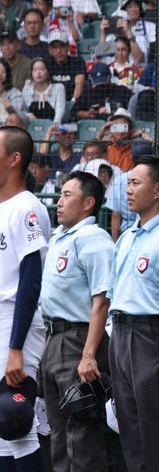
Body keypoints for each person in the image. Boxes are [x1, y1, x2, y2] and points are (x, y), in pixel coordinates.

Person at [0, 126, 51, 468]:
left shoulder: (27, 208)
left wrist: (16, 347)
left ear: (15, 158)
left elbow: (31, 280)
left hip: (13, 321)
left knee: (17, 426)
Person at [37, 171, 113, 472]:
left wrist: (89, 355)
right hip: (54, 336)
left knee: (80, 429)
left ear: (88, 203)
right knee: (58, 429)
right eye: (61, 193)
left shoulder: (94, 239)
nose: (59, 200)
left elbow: (102, 300)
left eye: (69, 195)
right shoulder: (60, 236)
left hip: (79, 338)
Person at [107, 155, 159, 472]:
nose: (128, 190)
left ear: (157, 190)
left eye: (136, 183)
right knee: (128, 421)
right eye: (127, 183)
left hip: (150, 335)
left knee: (151, 421)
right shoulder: (126, 237)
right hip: (121, 334)